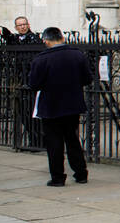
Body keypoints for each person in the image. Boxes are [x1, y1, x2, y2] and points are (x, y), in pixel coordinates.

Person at [28, 27, 93, 186]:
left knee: (54, 142)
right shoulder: (78, 55)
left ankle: (58, 177)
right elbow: (87, 79)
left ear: (46, 40)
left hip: (51, 106)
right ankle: (81, 173)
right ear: (62, 38)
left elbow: (34, 84)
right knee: (72, 139)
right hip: (72, 104)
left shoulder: (41, 59)